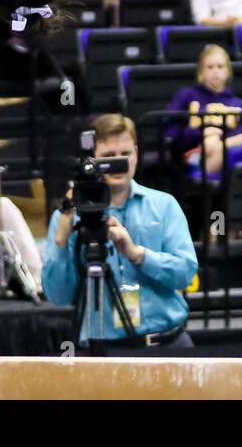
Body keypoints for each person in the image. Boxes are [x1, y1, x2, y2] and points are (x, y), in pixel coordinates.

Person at [42, 113, 197, 350]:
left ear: (136, 153)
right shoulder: (67, 216)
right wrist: (61, 240)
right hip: (105, 349)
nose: (118, 163)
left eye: (125, 154)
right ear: (91, 160)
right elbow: (59, 297)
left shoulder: (164, 205)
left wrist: (137, 254)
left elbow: (185, 273)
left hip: (167, 344)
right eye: (108, 157)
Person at [166, 45, 242, 176]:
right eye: (210, 67)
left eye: (220, 67)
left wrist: (223, 140)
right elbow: (171, 131)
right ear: (201, 72)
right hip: (193, 156)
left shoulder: (238, 104)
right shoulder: (186, 96)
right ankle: (203, 178)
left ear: (228, 71)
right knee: (210, 141)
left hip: (232, 156)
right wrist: (200, 133)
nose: (215, 71)